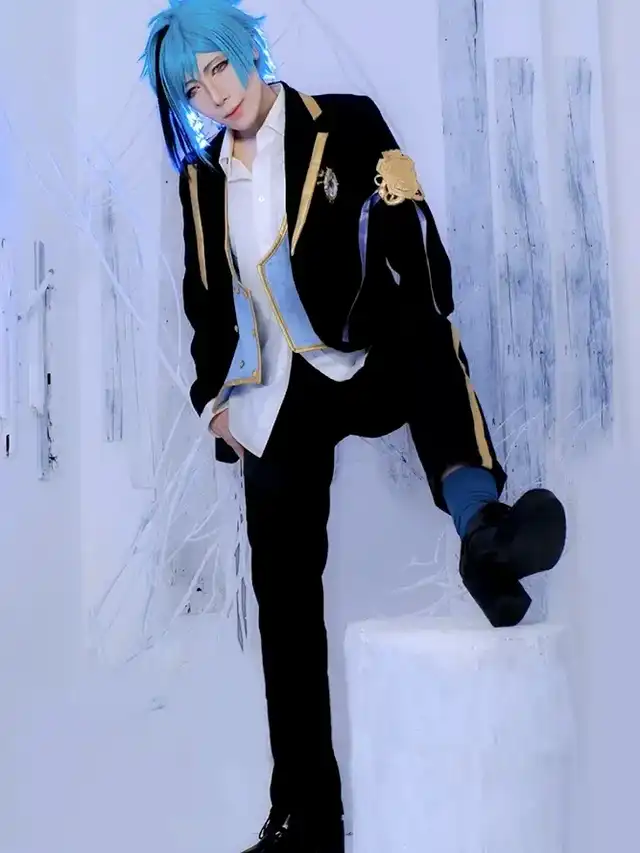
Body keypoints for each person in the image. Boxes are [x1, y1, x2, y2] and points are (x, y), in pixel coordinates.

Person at [141, 2, 567, 850]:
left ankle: (484, 528)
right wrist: (215, 402)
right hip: (275, 397)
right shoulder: (200, 181)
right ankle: (306, 816)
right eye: (192, 88)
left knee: (425, 328)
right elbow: (206, 304)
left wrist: (406, 288)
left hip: (359, 357)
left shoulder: (346, 122)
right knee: (284, 604)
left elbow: (419, 248)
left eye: (218, 67)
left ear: (247, 49)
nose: (213, 94)